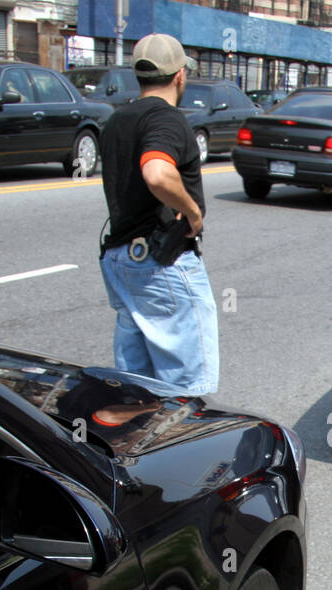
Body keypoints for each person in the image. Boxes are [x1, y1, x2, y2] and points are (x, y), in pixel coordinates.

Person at [97, 33, 218, 395]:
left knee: (137, 392)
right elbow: (156, 172)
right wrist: (193, 213)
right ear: (180, 75)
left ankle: (137, 450)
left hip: (123, 259)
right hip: (162, 264)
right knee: (184, 395)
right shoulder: (167, 119)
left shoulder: (117, 120)